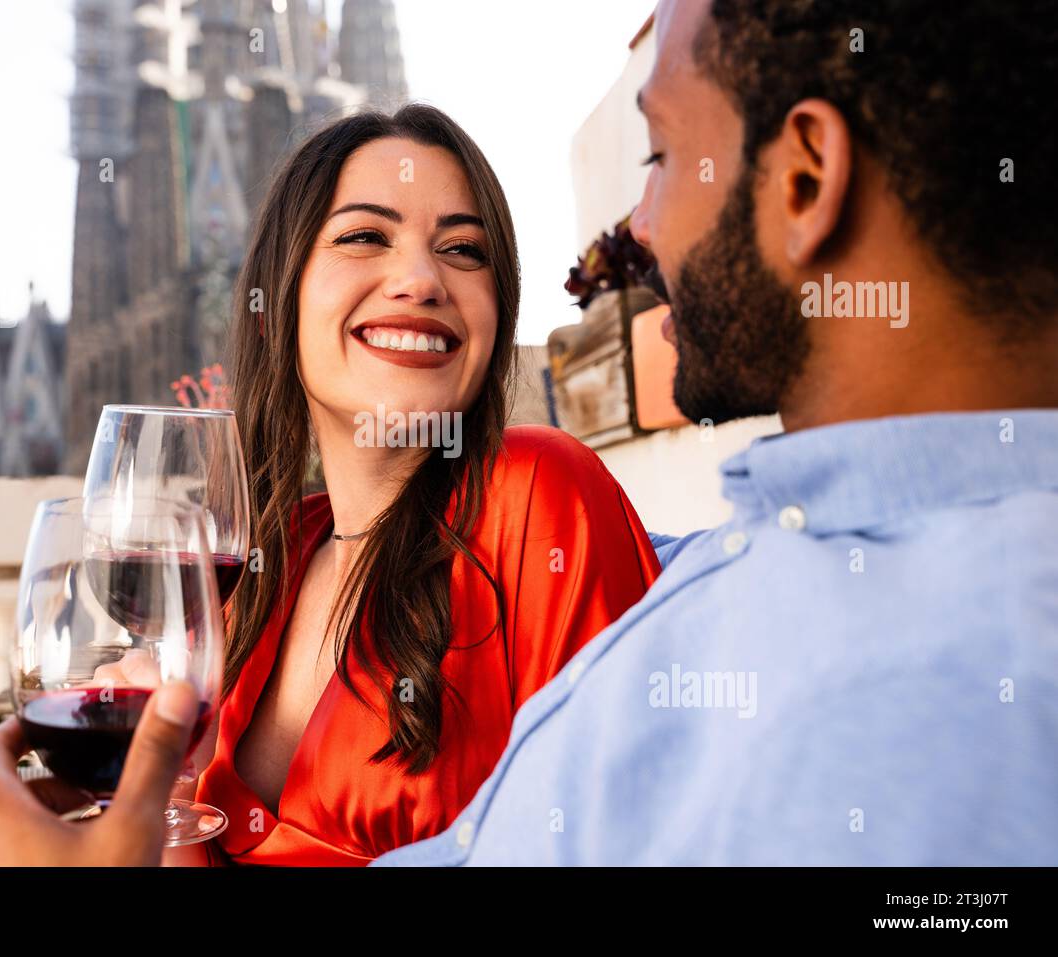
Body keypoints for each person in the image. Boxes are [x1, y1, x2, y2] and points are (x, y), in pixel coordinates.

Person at [374, 0, 1058, 865]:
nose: (639, 225)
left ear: (804, 179)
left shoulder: (894, 719)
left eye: (659, 156)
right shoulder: (813, 553)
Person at [0, 105, 660, 866]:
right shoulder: (269, 563)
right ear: (273, 306)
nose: (422, 280)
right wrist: (160, 798)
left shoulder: (538, 495)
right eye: (365, 237)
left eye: (462, 249)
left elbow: (640, 836)